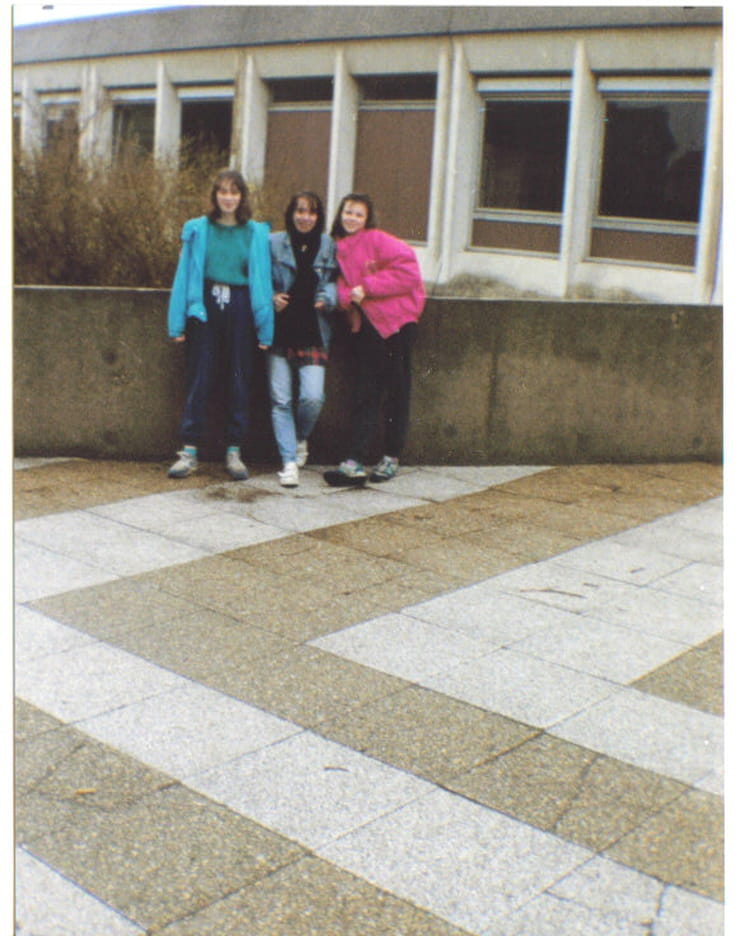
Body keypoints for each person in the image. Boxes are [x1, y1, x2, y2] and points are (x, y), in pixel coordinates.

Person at [166, 168, 273, 481]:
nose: (228, 197)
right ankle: (189, 450)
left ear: (242, 197)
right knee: (200, 375)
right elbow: (184, 274)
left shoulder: (254, 232)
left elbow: (262, 280)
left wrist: (265, 328)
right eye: (223, 192)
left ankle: (234, 450)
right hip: (205, 307)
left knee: (239, 377)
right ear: (215, 196)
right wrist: (177, 323)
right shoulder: (198, 229)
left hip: (241, 307)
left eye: (234, 192)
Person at [324, 193, 425, 487]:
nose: (351, 218)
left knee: (397, 391)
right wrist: (347, 297)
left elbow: (408, 272)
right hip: (369, 328)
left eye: (358, 214)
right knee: (365, 391)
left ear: (367, 219)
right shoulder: (336, 247)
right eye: (348, 212)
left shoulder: (378, 240)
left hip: (397, 324)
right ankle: (354, 459)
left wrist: (367, 286)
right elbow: (339, 288)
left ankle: (391, 457)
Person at [268, 192, 338, 487]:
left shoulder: (327, 245)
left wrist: (328, 297)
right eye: (299, 210)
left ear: (318, 216)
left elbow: (336, 281)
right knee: (281, 399)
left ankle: (299, 439)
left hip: (313, 330)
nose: (304, 217)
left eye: (311, 212)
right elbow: (259, 279)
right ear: (291, 213)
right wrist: (270, 297)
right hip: (280, 331)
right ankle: (288, 462)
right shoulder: (273, 243)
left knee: (312, 396)